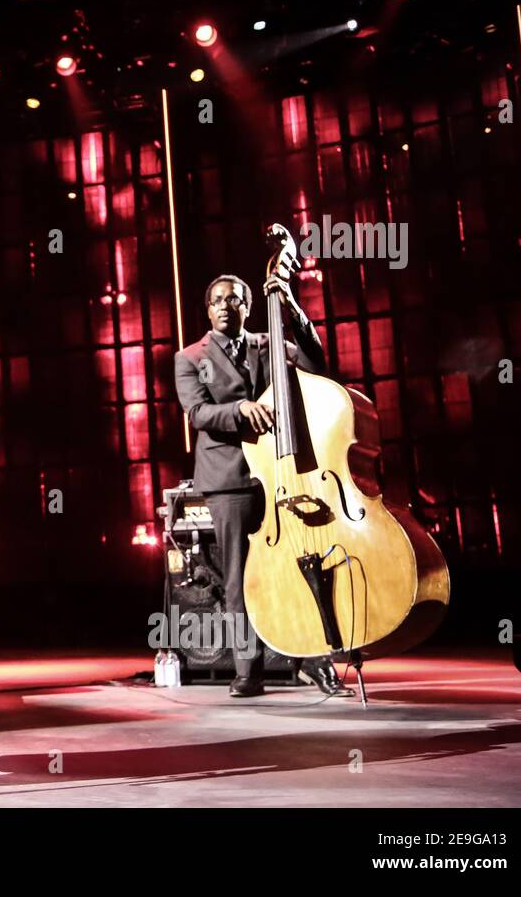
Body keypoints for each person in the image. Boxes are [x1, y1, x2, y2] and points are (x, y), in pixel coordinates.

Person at [173, 227, 354, 699]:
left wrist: (290, 306)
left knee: (304, 561)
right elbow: (197, 413)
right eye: (216, 301)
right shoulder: (190, 358)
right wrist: (240, 411)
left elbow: (316, 364)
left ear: (249, 306)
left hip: (281, 472)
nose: (224, 307)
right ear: (207, 309)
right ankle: (247, 671)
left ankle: (317, 660)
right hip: (229, 477)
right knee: (238, 578)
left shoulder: (267, 343)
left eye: (233, 300)